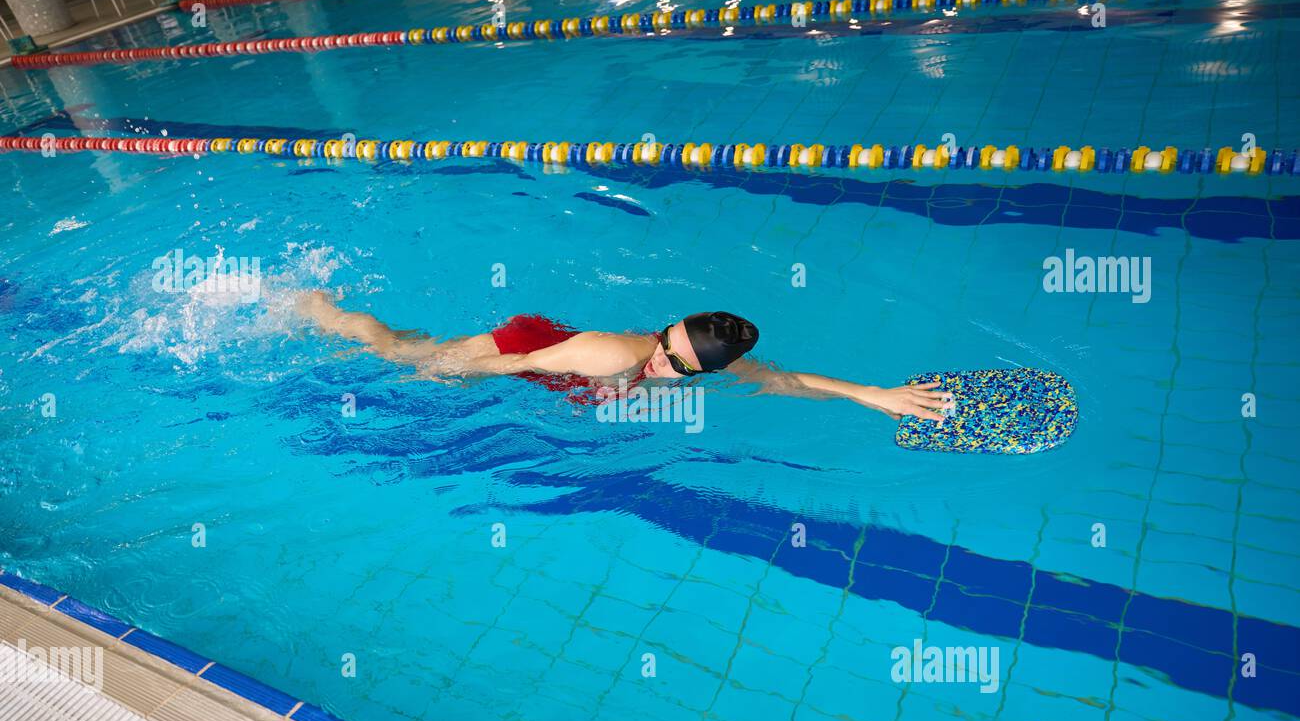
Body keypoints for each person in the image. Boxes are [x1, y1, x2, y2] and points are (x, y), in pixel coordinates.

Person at [295, 290, 952, 421]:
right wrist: (448, 372)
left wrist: (873, 395)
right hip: (534, 349)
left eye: (686, 370)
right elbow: (522, 364)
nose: (669, 369)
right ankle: (325, 310)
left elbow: (783, 379)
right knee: (404, 354)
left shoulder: (696, 357)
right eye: (668, 352)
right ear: (663, 333)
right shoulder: (613, 357)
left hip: (566, 364)